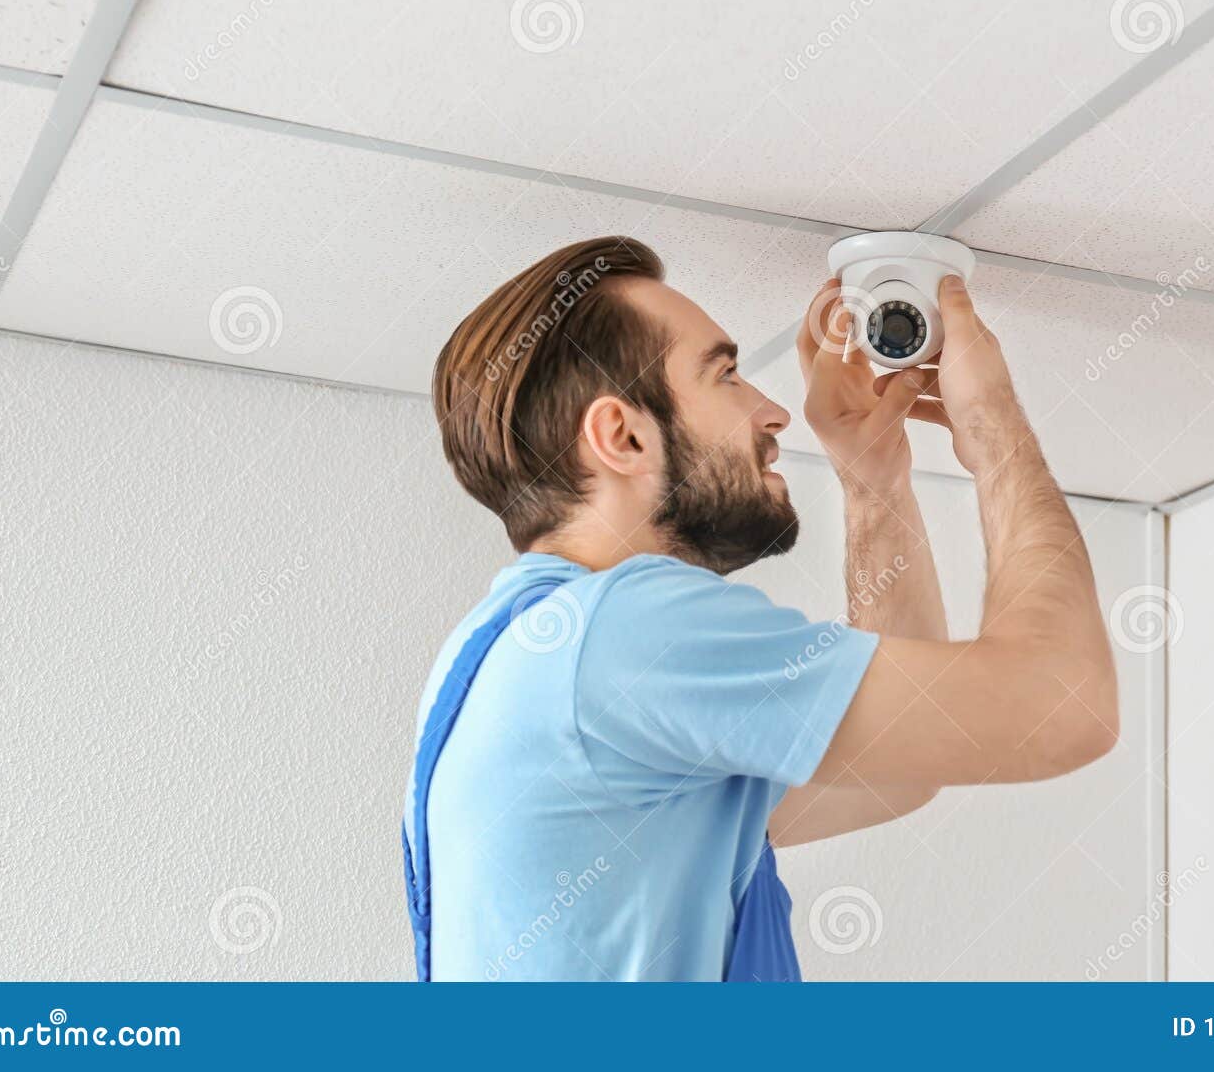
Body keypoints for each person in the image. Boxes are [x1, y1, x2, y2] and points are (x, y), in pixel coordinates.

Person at [403, 235, 1117, 981]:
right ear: (623, 434)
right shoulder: (623, 630)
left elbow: (891, 772)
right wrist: (992, 426)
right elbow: (1062, 707)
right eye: (728, 375)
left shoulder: (510, 658)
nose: (775, 412)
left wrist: (873, 478)